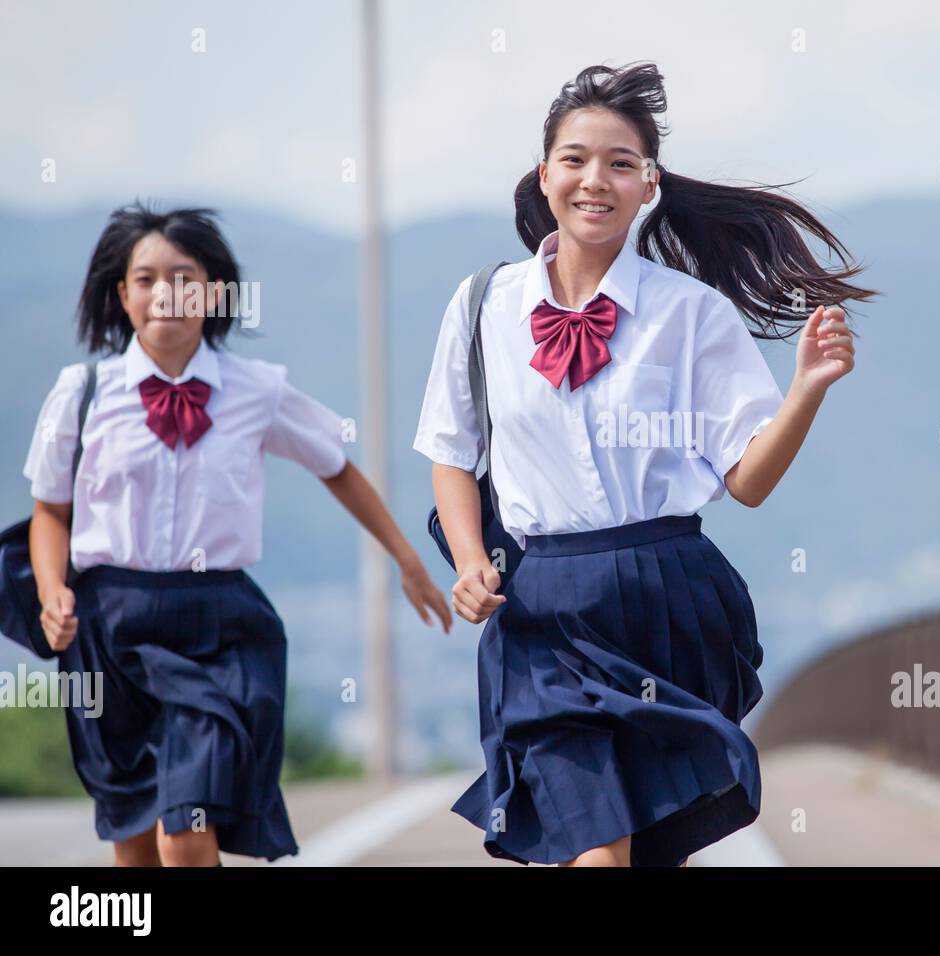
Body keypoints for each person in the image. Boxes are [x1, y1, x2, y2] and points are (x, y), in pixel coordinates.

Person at [414, 61, 872, 867]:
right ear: (544, 173)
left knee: (646, 854)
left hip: (669, 601)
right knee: (596, 850)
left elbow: (749, 481)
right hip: (542, 613)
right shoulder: (481, 303)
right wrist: (465, 562)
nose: (597, 180)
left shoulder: (691, 312)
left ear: (649, 183)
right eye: (576, 159)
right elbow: (452, 453)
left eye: (621, 163)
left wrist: (807, 388)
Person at [23, 203, 451, 866]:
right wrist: (53, 590)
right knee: (133, 839)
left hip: (218, 634)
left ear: (215, 292)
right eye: (146, 278)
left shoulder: (258, 390)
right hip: (108, 632)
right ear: (122, 295)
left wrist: (407, 559)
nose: (165, 292)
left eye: (184, 276)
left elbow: (337, 467)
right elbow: (50, 510)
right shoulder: (79, 393)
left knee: (185, 829)